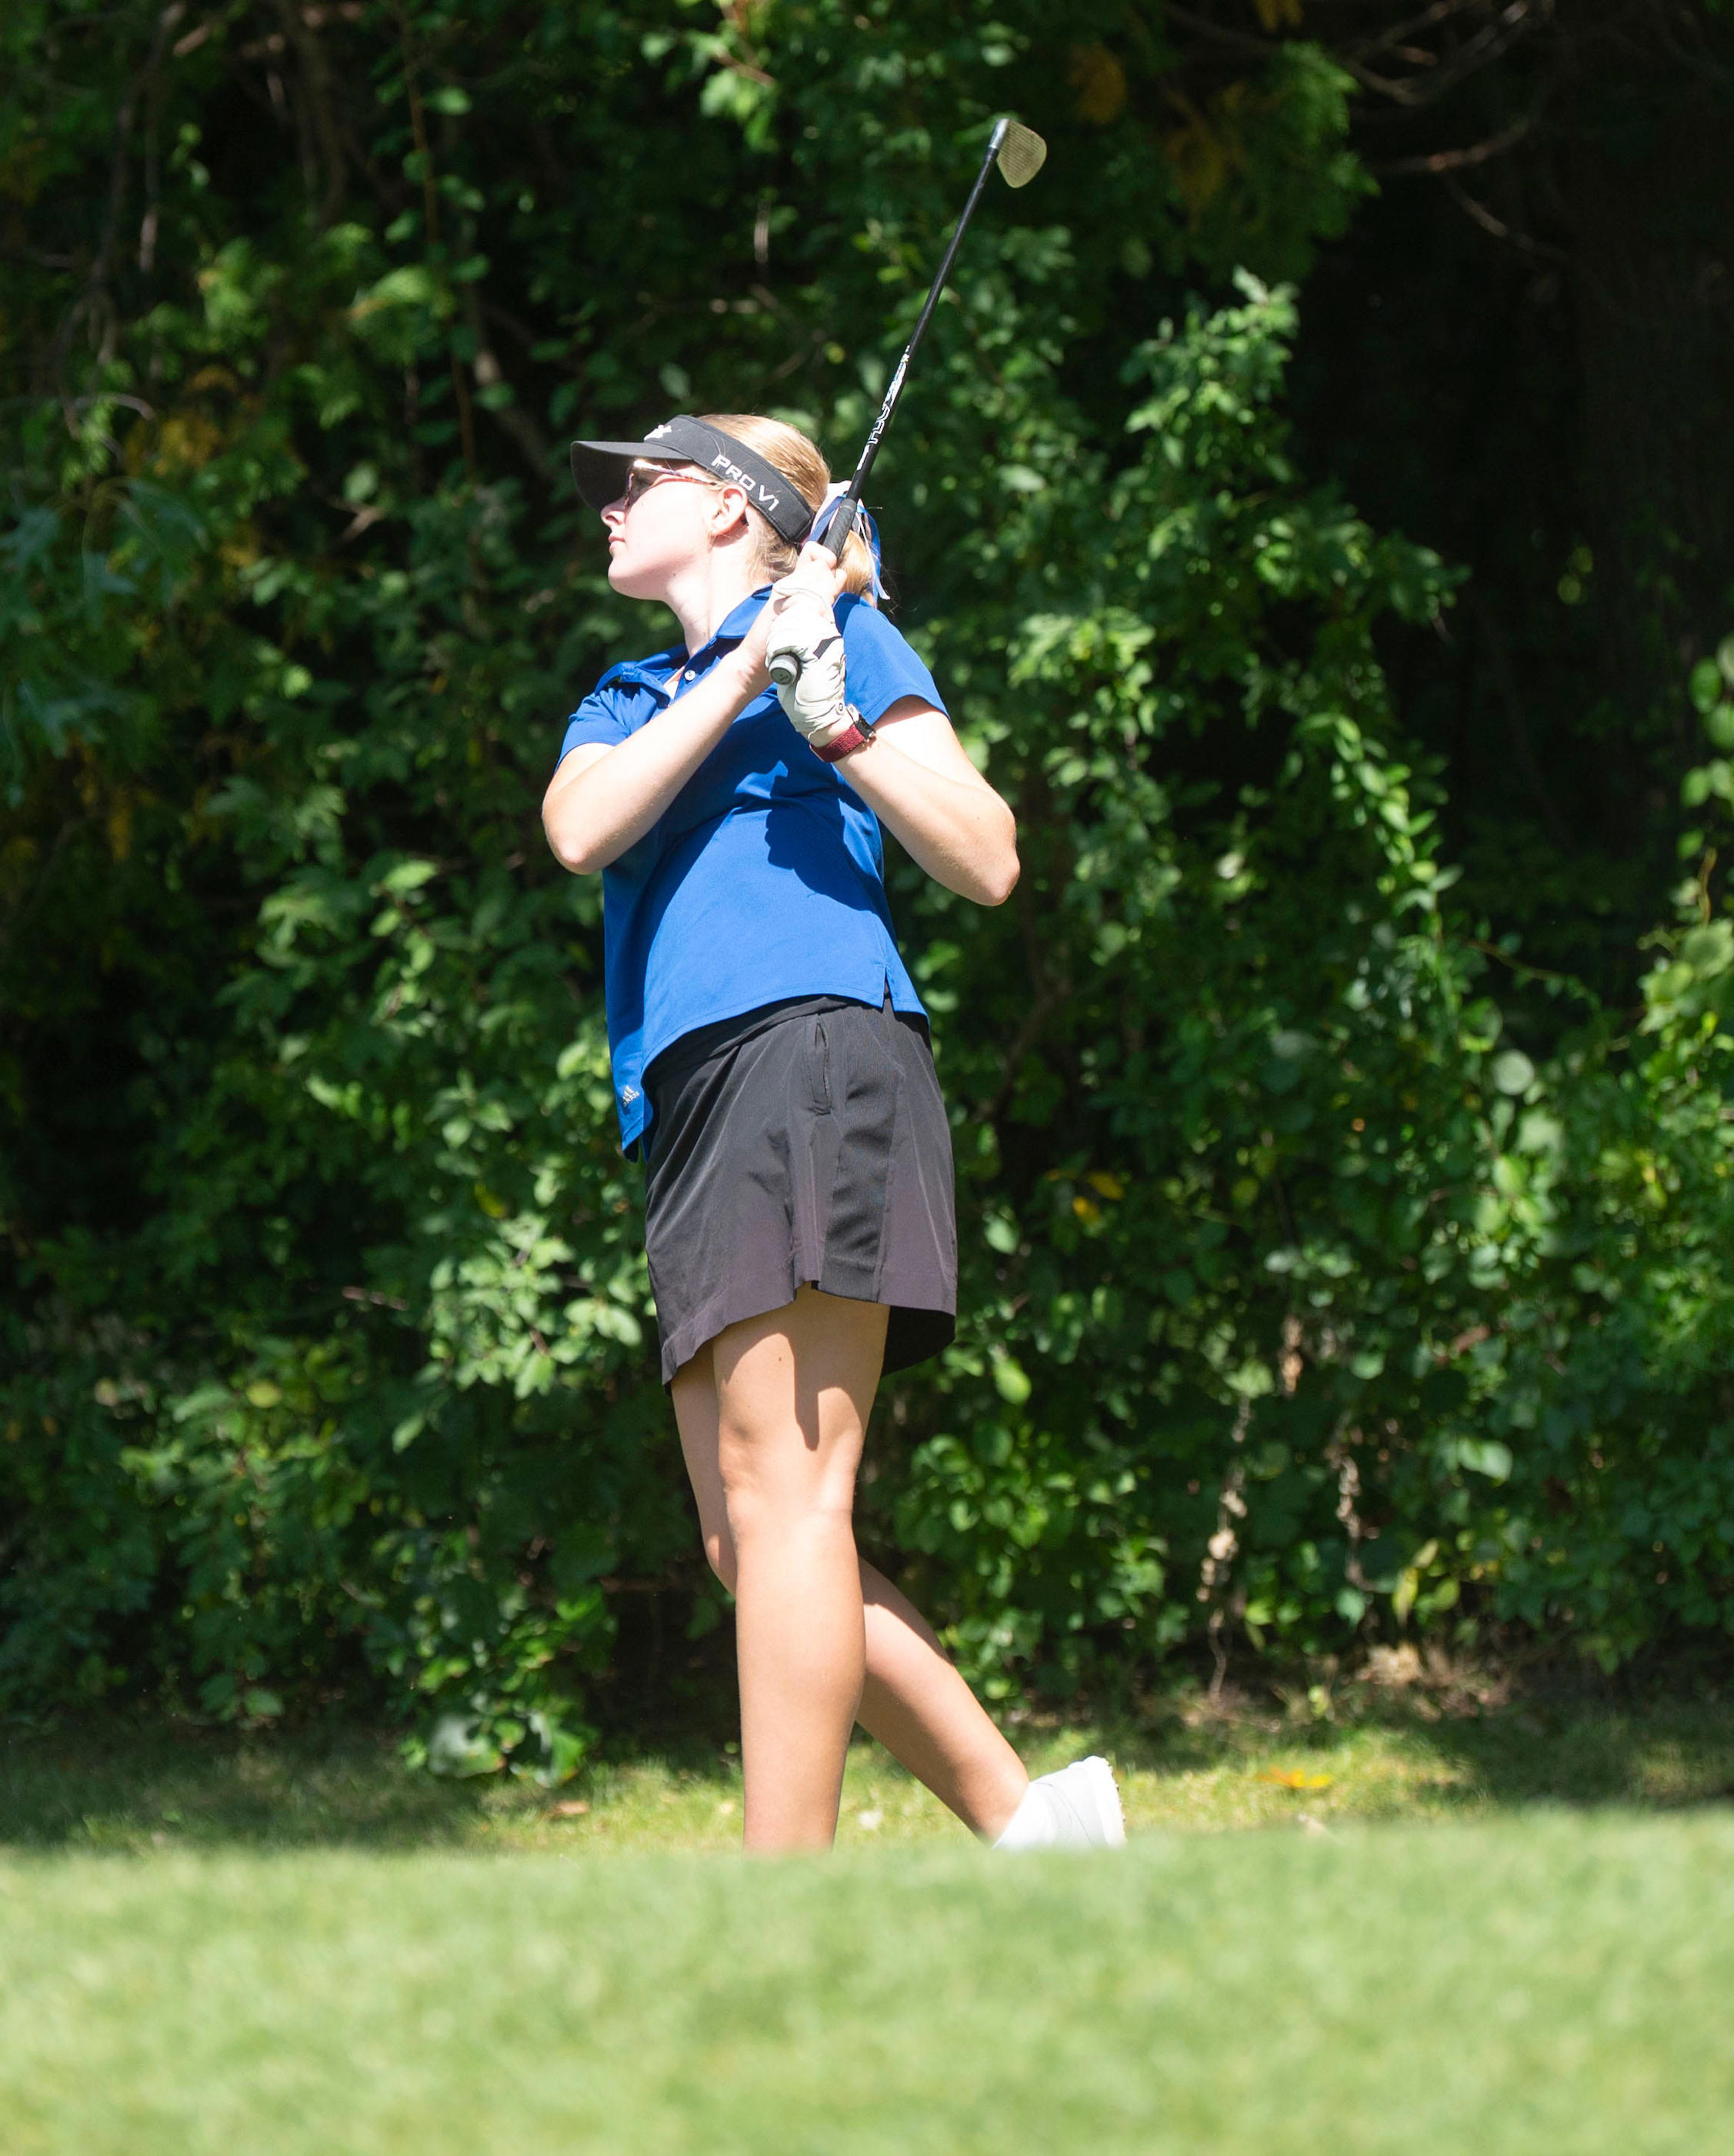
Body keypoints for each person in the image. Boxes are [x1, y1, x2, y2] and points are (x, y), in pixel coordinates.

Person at [543, 412, 1124, 1854]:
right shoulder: (627, 692)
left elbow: (985, 855)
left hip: (810, 1043)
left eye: (648, 476)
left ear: (736, 509)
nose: (613, 500)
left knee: (791, 1500)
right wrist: (752, 658)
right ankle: (1032, 1823)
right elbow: (581, 828)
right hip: (688, 1100)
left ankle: (782, 1900)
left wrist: (832, 715)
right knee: (751, 1535)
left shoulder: (853, 652)